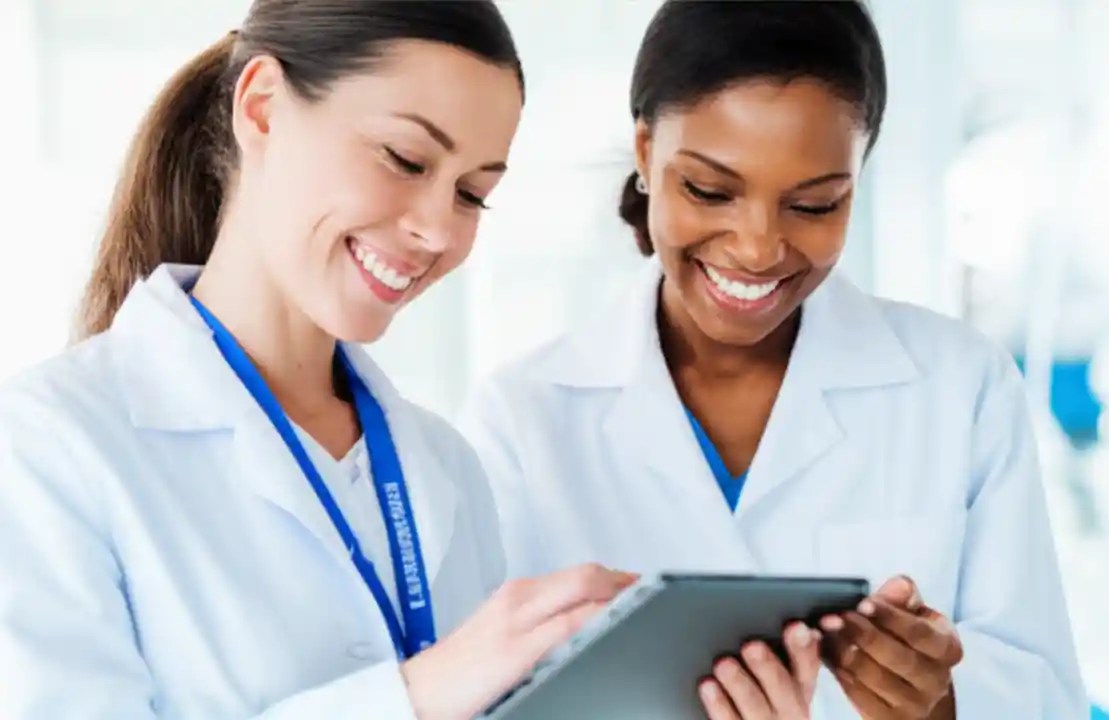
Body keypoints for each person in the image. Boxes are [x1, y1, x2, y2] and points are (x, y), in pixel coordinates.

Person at [0, 3, 647, 718]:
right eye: (404, 159)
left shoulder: (445, 466)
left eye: (471, 194)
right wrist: (419, 696)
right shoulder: (49, 444)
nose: (436, 229)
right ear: (265, 108)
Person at [458, 2, 1089, 719]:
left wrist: (941, 702)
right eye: (708, 190)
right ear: (644, 152)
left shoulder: (962, 387)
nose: (758, 248)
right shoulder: (524, 416)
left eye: (815, 205)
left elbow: (1049, 697)